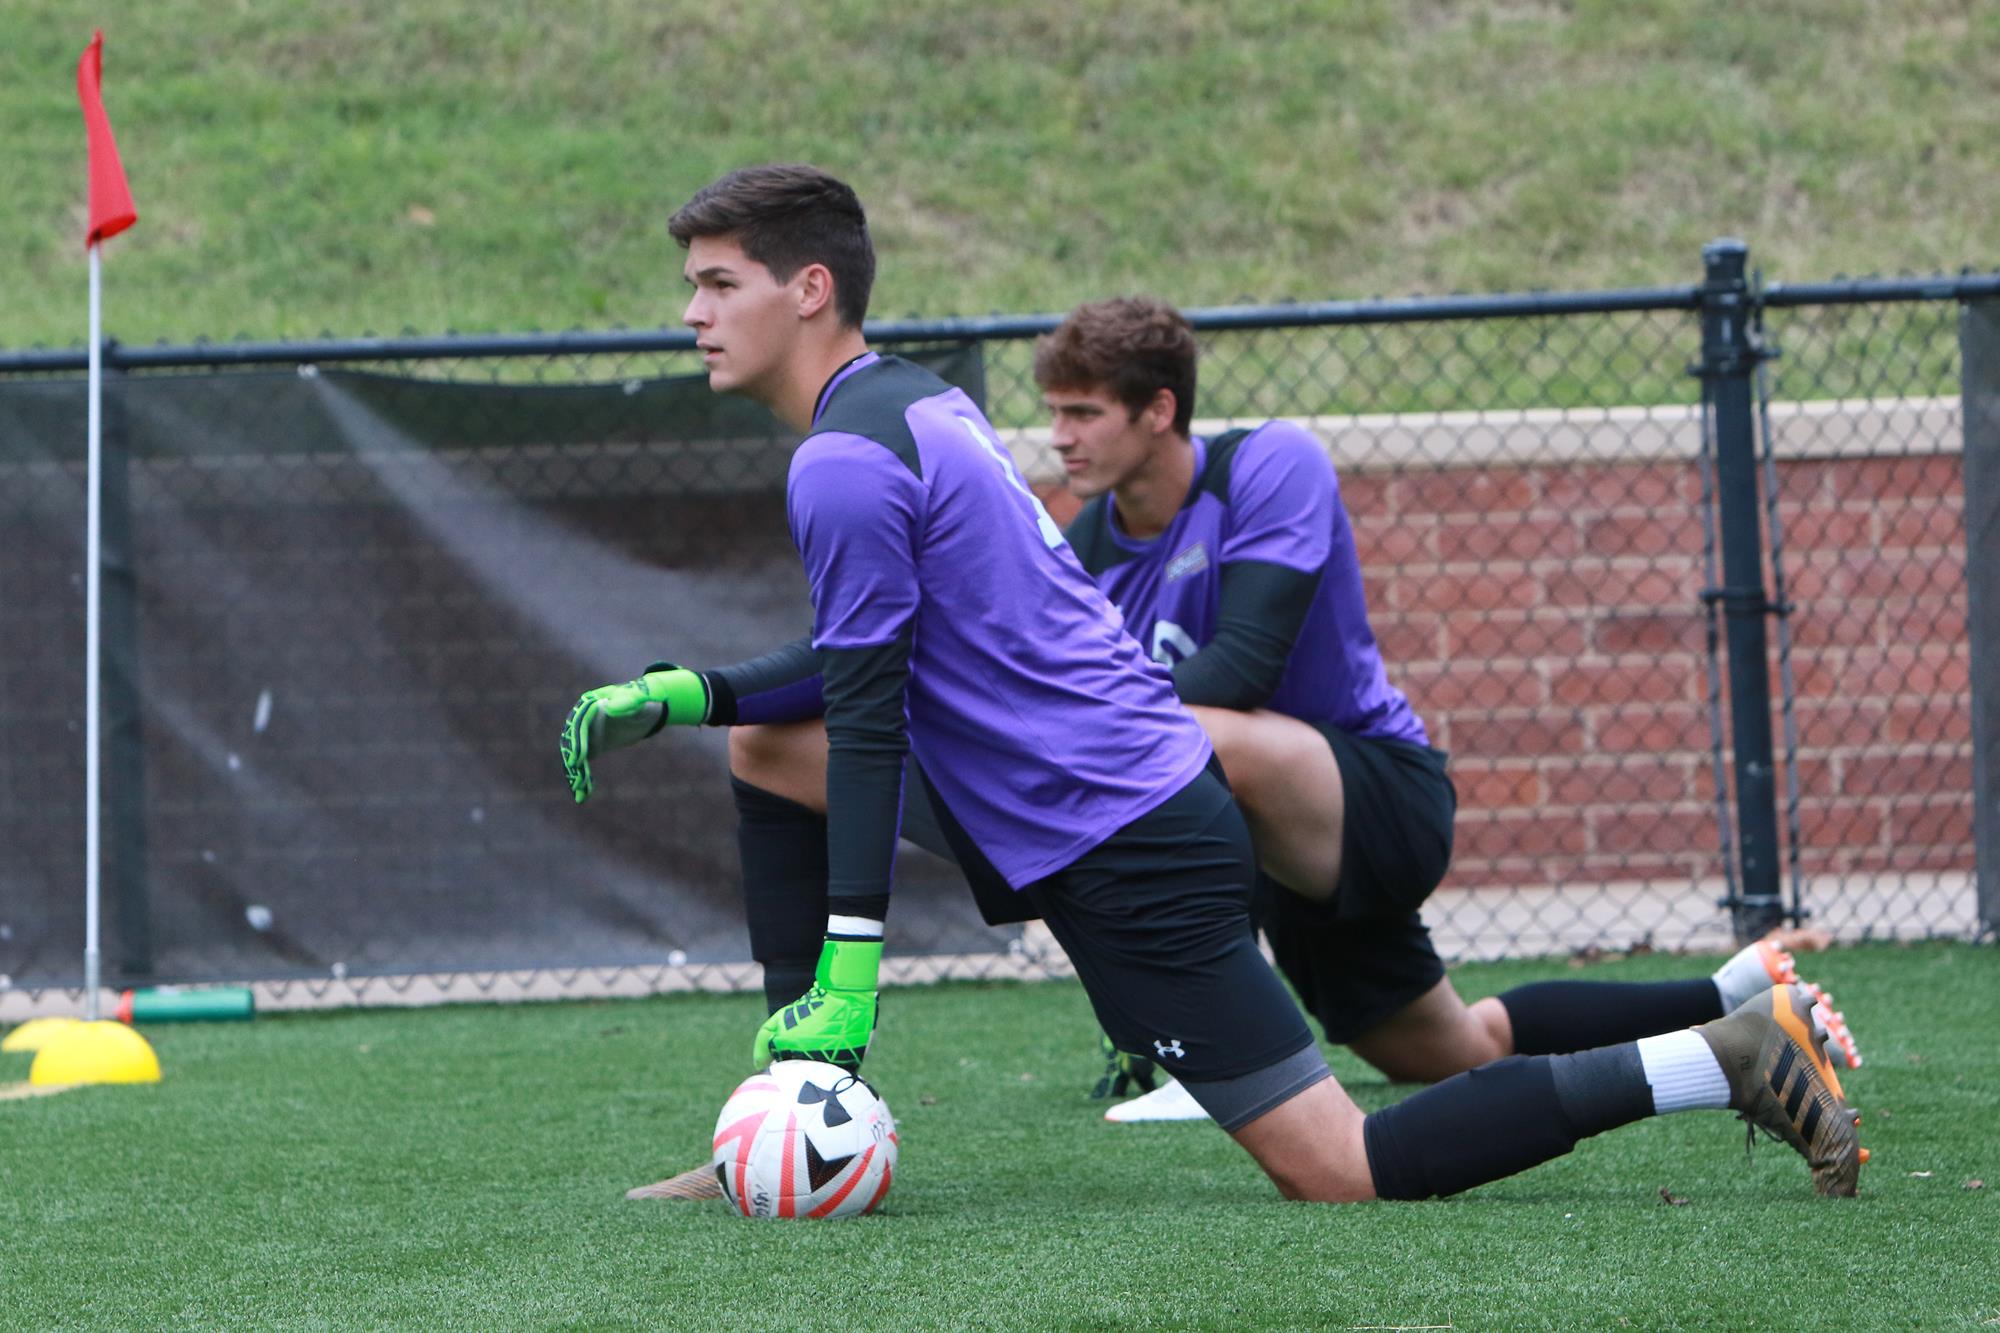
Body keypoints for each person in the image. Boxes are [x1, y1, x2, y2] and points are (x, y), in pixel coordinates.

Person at [564, 164, 1863, 1206]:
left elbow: (863, 713)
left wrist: (851, 960)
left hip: (1120, 826)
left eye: (715, 282)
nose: (692, 311)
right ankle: (789, 1112)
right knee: (761, 753)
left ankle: (1723, 1055)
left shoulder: (840, 463)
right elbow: (864, 667)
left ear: (806, 288)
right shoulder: (915, 406)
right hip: (1083, 806)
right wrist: (703, 694)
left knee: (1342, 1166)